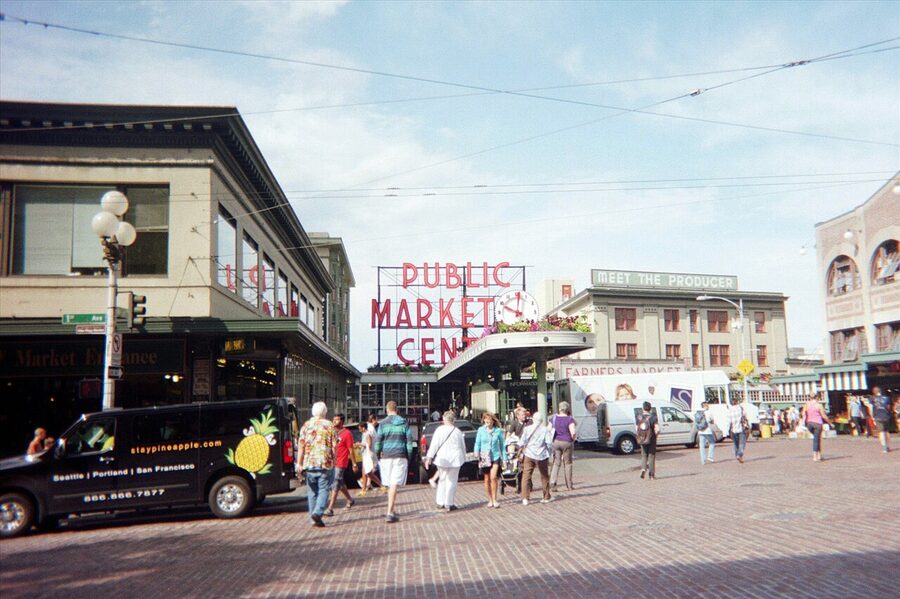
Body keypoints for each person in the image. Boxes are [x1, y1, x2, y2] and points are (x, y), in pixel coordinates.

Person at [297, 401, 337, 528]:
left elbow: (301, 446)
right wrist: (334, 460)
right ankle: (318, 512)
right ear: (325, 412)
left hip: (309, 463)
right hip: (325, 462)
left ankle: (314, 518)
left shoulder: (306, 425)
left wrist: (299, 463)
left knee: (312, 491)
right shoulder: (329, 425)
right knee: (324, 489)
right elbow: (334, 446)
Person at [374, 400, 415, 523]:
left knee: (390, 484)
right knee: (394, 484)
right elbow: (409, 442)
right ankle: (390, 512)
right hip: (400, 455)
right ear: (397, 410)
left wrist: (378, 454)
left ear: (387, 410)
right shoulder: (404, 423)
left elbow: (378, 442)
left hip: (386, 456)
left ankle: (391, 510)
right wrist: (409, 456)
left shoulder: (382, 424)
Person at [424, 410, 467, 511]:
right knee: (452, 481)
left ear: (444, 419)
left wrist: (429, 457)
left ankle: (440, 502)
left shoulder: (439, 430)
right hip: (455, 459)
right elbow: (462, 446)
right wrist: (464, 457)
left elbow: (434, 445)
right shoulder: (457, 431)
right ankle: (449, 503)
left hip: (442, 458)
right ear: (453, 420)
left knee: (442, 479)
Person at [324, 414, 358, 517]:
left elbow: (351, 450)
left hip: (341, 462)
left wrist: (354, 464)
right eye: (334, 419)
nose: (334, 421)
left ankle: (330, 508)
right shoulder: (331, 432)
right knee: (340, 482)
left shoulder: (347, 433)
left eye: (337, 419)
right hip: (332, 462)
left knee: (335, 482)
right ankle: (350, 499)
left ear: (342, 421)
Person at [517, 412, 554, 505]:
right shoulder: (545, 430)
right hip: (541, 455)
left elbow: (521, 442)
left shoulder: (527, 429)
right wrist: (549, 453)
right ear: (541, 420)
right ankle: (546, 496)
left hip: (529, 454)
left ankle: (525, 498)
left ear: (533, 419)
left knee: (526, 475)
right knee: (544, 476)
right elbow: (549, 443)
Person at [474, 411, 505, 508]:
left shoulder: (498, 431)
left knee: (493, 477)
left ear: (493, 421)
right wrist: (476, 451)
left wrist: (504, 458)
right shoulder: (481, 430)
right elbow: (477, 443)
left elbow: (502, 446)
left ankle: (495, 499)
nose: (487, 421)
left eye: (489, 419)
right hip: (484, 456)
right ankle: (490, 499)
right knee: (487, 479)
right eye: (485, 419)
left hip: (495, 456)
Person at [549, 401, 577, 491]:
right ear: (567, 409)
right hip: (567, 442)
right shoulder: (570, 419)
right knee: (568, 463)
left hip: (556, 442)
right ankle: (569, 485)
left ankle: (553, 482)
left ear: (559, 408)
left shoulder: (553, 418)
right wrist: (573, 439)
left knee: (556, 463)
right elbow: (573, 432)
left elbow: (548, 429)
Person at [356, 422, 383, 495]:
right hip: (365, 455)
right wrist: (361, 449)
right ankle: (381, 486)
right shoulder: (364, 434)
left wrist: (359, 444)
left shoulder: (367, 434)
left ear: (363, 428)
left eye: (360, 428)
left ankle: (363, 490)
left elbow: (369, 444)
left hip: (368, 456)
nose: (359, 430)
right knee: (368, 474)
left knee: (365, 473)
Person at [803, 393, 831, 461]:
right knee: (816, 439)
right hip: (818, 423)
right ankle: (815, 456)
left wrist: (804, 422)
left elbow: (803, 414)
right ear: (817, 397)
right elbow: (824, 416)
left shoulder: (807, 404)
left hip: (809, 423)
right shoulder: (819, 405)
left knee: (817, 438)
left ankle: (819, 455)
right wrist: (830, 423)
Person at [635, 401, 659, 479]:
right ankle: (651, 475)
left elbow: (636, 429)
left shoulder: (639, 417)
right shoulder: (653, 417)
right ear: (650, 408)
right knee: (651, 455)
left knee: (644, 455)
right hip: (651, 439)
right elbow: (657, 429)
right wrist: (656, 434)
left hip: (642, 439)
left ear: (643, 408)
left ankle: (643, 469)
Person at [870, 386, 892, 453]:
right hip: (886, 416)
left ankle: (884, 447)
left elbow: (870, 408)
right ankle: (887, 445)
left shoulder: (872, 398)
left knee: (881, 432)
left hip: (877, 416)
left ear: (874, 392)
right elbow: (888, 408)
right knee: (886, 431)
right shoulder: (886, 398)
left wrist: (872, 416)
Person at [729, 398, 749, 463]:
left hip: (733, 429)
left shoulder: (729, 410)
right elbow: (746, 416)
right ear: (737, 402)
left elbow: (728, 421)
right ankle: (739, 455)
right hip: (741, 428)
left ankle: (737, 455)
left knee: (735, 443)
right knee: (742, 443)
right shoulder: (740, 408)